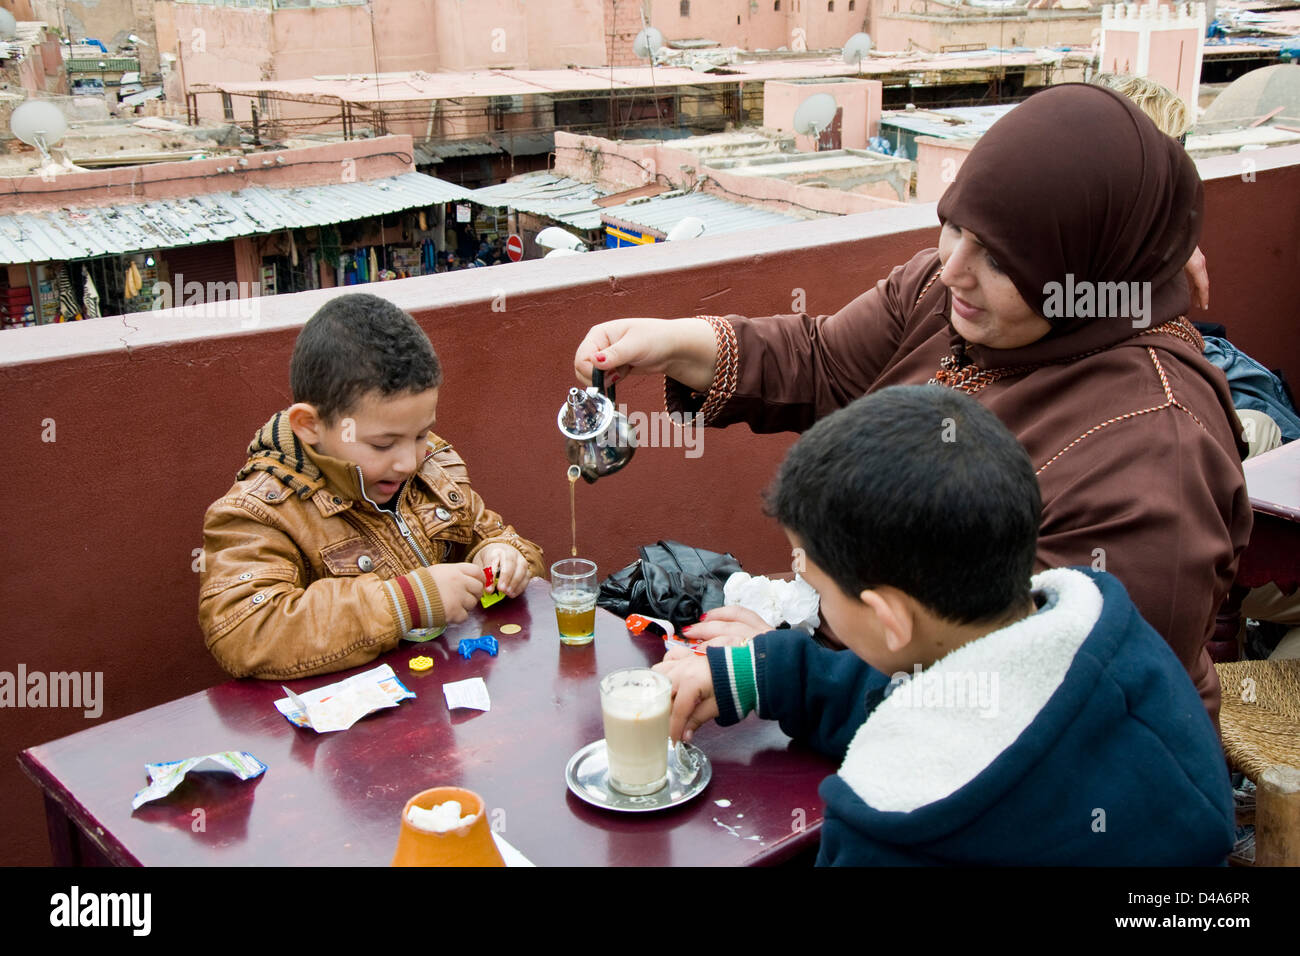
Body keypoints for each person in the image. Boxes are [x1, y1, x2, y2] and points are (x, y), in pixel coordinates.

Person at [574, 84, 1252, 728]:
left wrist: (782, 668)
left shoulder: (1155, 453)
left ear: (1089, 271)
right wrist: (672, 342)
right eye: (953, 227)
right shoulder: (955, 298)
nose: (953, 266)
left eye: (999, 259)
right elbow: (825, 358)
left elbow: (1027, 696)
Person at [656, 386, 1235, 865]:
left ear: (888, 617)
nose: (819, 606)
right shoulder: (1121, 651)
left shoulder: (901, 817)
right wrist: (763, 670)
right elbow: (929, 685)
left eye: (821, 593)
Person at [199, 293, 545, 679]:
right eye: (383, 444)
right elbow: (245, 630)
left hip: (439, 699)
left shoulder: (429, 467)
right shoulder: (259, 513)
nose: (409, 461)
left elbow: (489, 533)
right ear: (310, 425)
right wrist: (406, 602)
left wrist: (502, 555)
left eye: (421, 434)